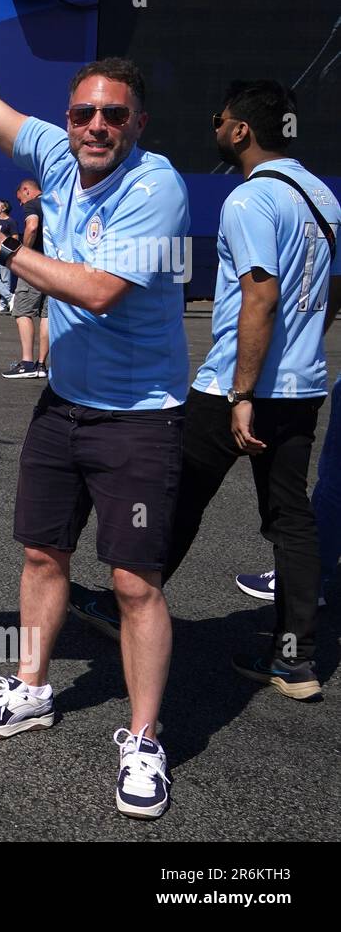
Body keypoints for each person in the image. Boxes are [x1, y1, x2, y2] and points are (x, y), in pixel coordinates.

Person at [0, 0, 191, 819]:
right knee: (42, 555)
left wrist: (2, 248)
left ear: (137, 124)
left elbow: (100, 290)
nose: (97, 126)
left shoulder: (158, 186)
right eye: (84, 113)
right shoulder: (51, 152)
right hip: (62, 407)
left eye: (114, 114)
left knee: (135, 584)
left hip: (139, 420)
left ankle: (144, 740)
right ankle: (32, 685)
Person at [73, 81, 340, 701]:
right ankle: (295, 660)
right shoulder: (323, 195)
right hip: (302, 386)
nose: (214, 126)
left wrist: (243, 391)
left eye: (219, 119)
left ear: (241, 130)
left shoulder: (249, 202)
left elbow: (261, 294)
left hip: (233, 388)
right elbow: (325, 297)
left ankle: (126, 608)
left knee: (176, 497)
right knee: (290, 519)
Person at [4, 180, 49, 378]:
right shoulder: (56, 203)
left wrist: (25, 253)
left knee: (23, 311)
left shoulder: (33, 204)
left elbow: (31, 226)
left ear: (26, 190)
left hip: (36, 265)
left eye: (20, 200)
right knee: (47, 316)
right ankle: (41, 365)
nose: (21, 204)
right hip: (56, 267)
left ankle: (27, 364)